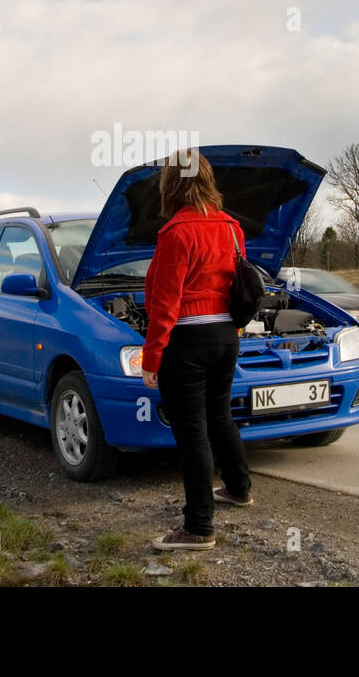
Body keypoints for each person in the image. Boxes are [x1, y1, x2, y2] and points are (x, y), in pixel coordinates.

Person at [142, 149, 253, 551]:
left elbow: (166, 304)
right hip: (226, 336)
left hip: (187, 341)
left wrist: (151, 359)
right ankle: (239, 488)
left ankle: (198, 527)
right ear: (206, 179)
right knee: (220, 417)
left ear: (171, 184)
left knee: (191, 433)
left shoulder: (176, 232)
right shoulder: (231, 227)